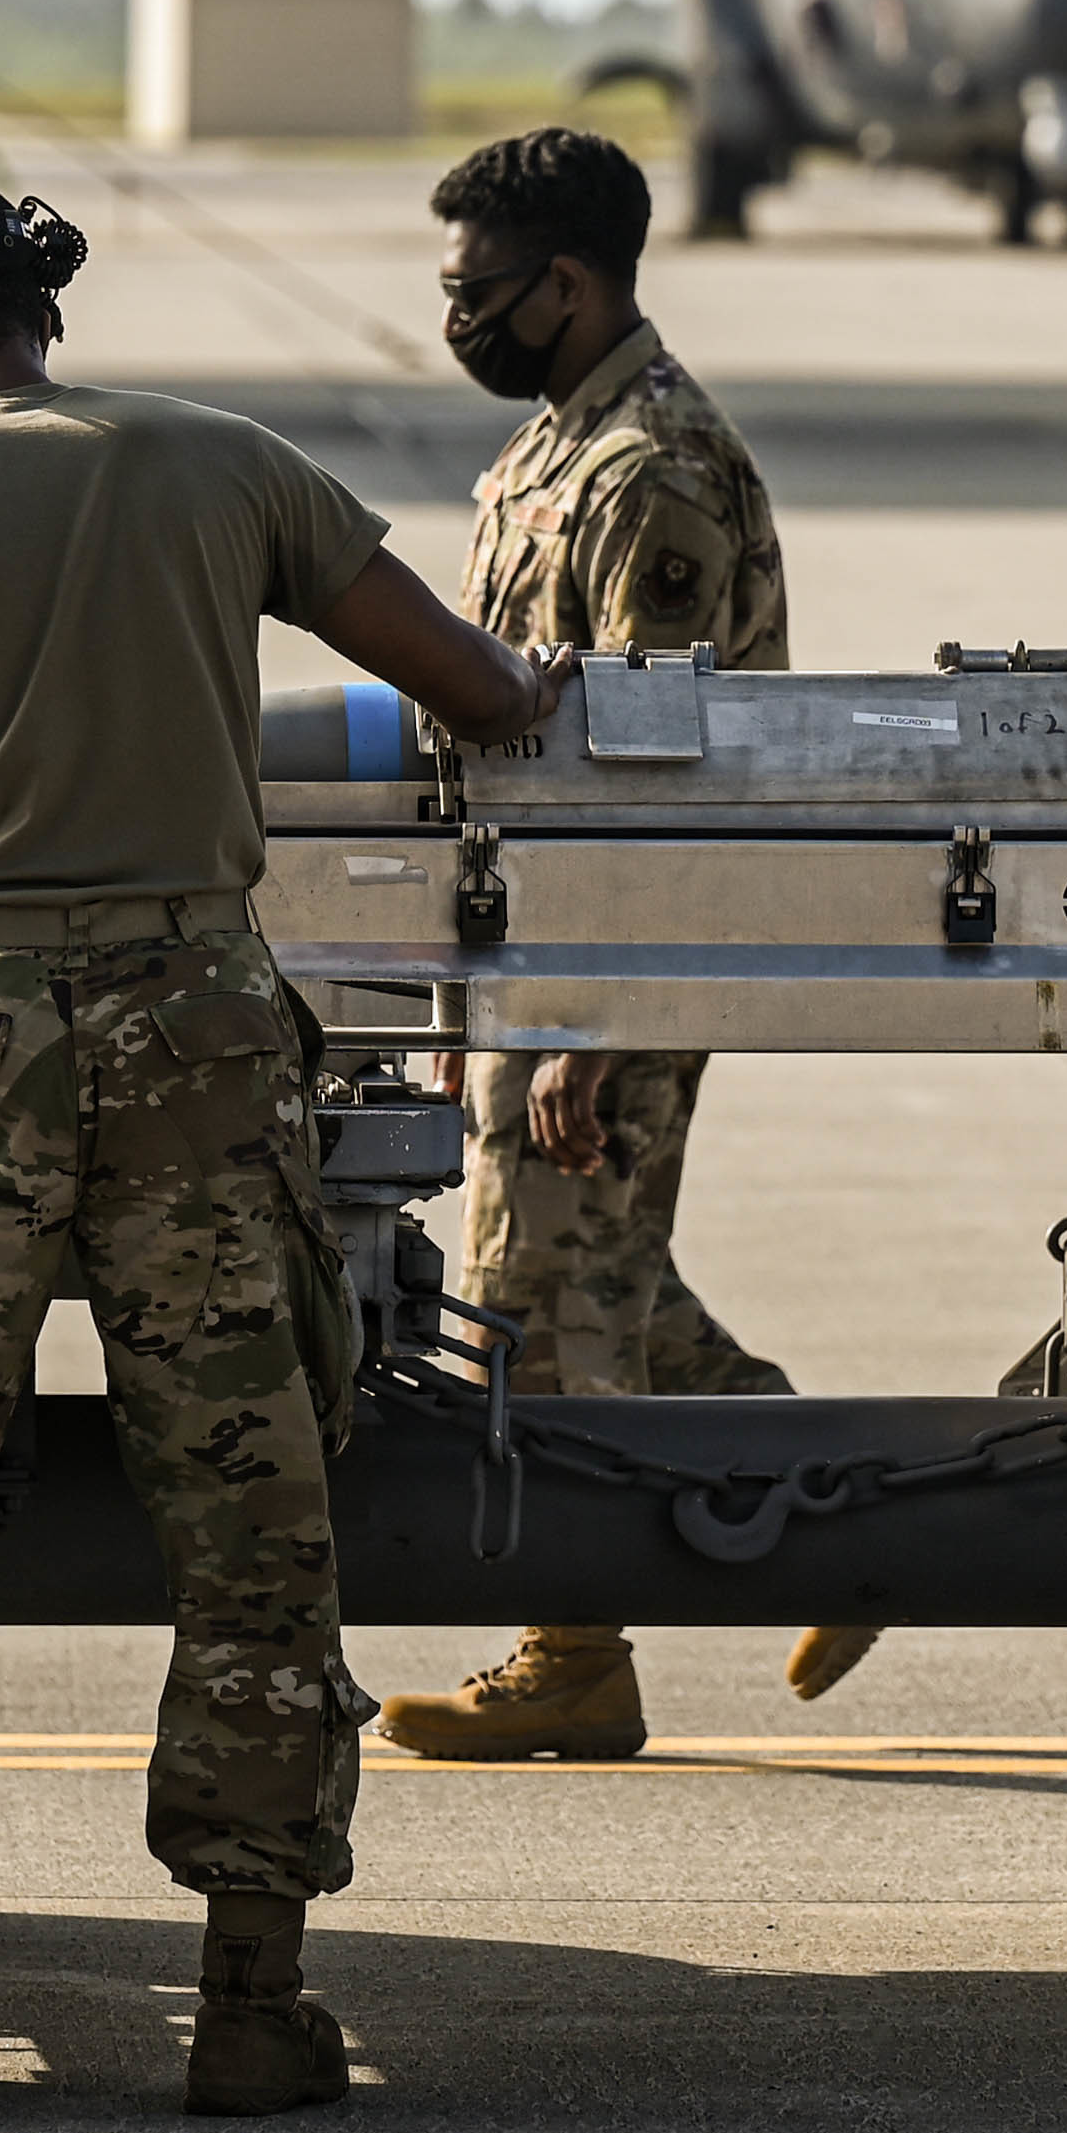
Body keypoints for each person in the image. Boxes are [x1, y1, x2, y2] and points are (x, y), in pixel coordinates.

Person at [0, 179, 561, 2117]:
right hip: (196, 1042)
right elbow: (471, 689)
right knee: (250, 1519)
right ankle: (248, 2005)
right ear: (32, 322)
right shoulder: (225, 463)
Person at [373, 127, 880, 1765]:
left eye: (476, 291)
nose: (457, 320)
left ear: (567, 282)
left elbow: (648, 770)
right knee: (598, 1279)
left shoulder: (649, 470)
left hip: (612, 941)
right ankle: (841, 1502)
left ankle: (574, 1649)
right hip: (537, 944)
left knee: (535, 1290)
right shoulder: (557, 451)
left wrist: (594, 1008)